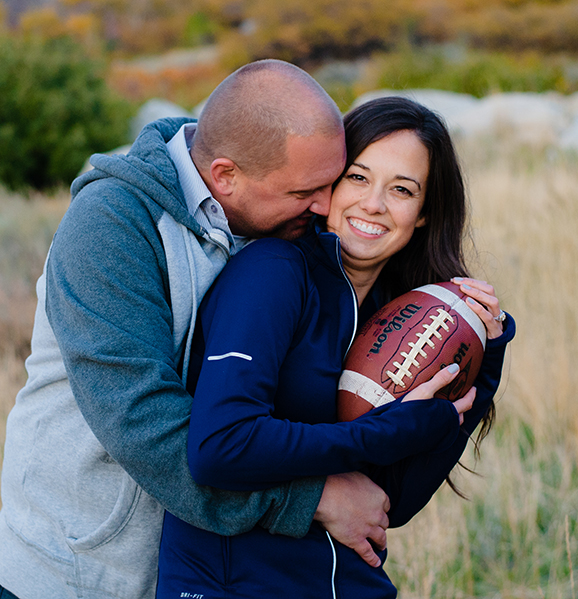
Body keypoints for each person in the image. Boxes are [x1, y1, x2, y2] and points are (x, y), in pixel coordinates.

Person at [0, 60, 397, 599]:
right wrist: (310, 498)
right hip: (77, 577)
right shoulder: (111, 226)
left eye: (331, 184)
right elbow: (142, 422)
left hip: (208, 578)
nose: (325, 206)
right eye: (305, 193)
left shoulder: (274, 217)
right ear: (225, 176)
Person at [155, 96, 516, 598]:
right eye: (358, 178)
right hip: (231, 586)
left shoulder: (404, 320)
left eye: (402, 189)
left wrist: (485, 358)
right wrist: (384, 432)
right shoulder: (273, 272)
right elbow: (219, 447)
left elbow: (391, 503)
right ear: (328, 184)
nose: (373, 204)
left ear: (424, 213)